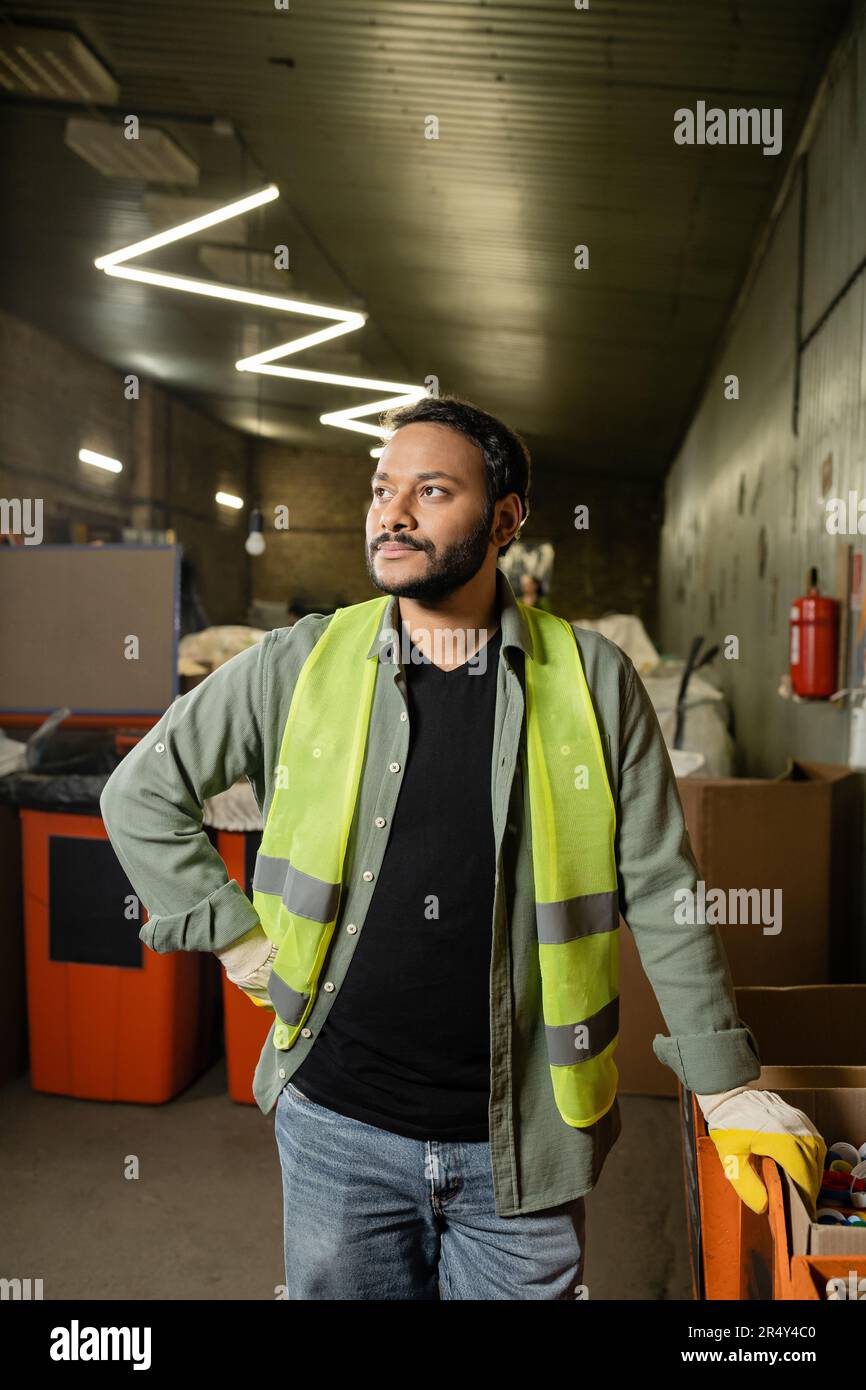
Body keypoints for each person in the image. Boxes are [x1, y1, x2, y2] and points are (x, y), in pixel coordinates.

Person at [100, 394, 825, 1301]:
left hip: (526, 1140)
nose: (392, 514)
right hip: (336, 1129)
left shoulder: (595, 683)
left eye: (432, 490)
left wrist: (722, 1084)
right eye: (381, 489)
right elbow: (140, 793)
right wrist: (237, 938)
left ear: (506, 519)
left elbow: (663, 886)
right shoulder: (302, 662)